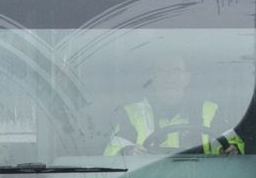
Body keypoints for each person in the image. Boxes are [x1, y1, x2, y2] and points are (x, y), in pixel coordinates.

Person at [105, 53, 245, 157]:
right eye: (162, 71)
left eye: (176, 71)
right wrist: (129, 152)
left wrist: (227, 150)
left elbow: (235, 146)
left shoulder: (210, 111)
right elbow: (112, 152)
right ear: (152, 78)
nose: (169, 77)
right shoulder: (131, 113)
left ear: (187, 77)